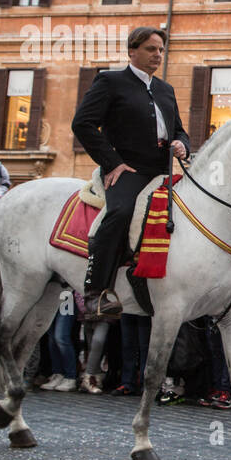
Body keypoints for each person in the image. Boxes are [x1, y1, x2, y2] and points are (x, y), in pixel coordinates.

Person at [71, 27, 190, 319]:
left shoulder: (166, 89)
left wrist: (182, 145)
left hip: (162, 171)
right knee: (121, 212)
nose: (157, 55)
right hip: (128, 171)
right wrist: (112, 162)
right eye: (151, 49)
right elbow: (83, 123)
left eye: (161, 50)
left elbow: (179, 131)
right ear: (132, 51)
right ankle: (95, 292)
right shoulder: (110, 81)